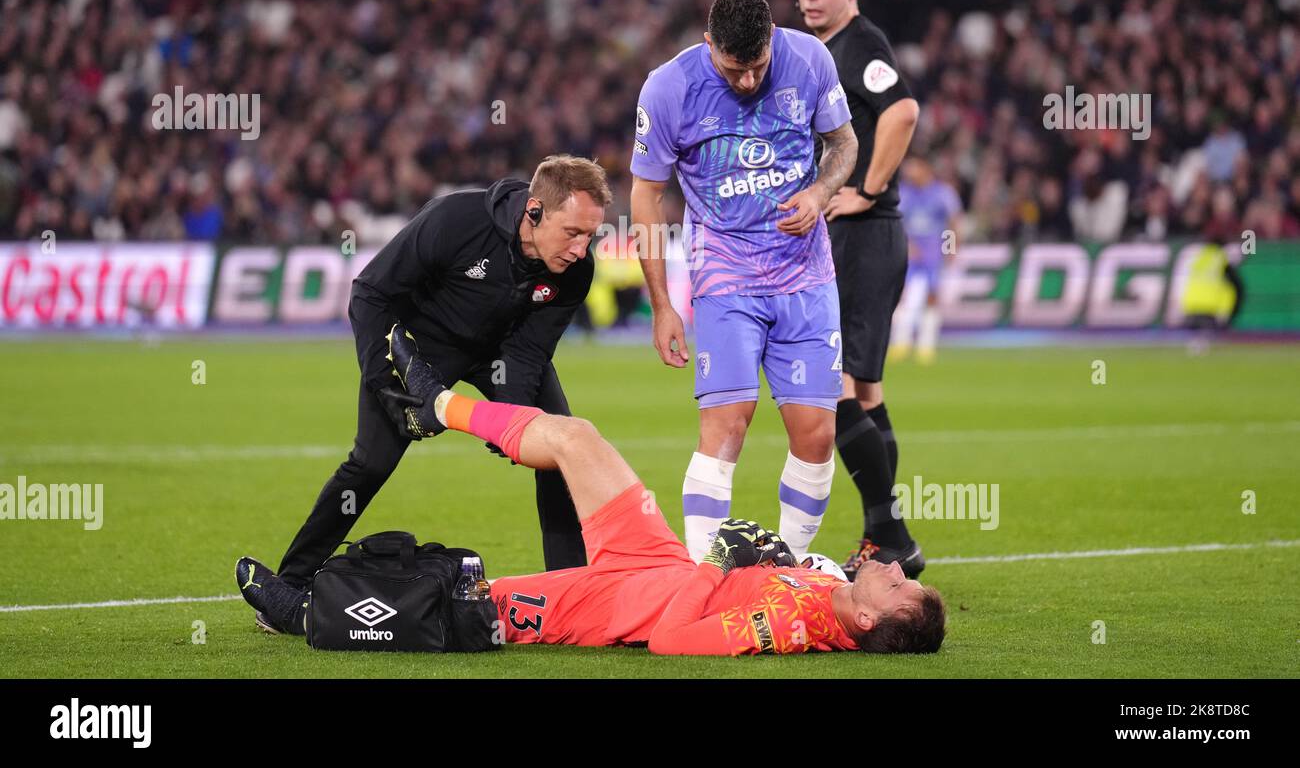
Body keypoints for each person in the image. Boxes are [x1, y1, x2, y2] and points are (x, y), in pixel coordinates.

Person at [237, 325, 946, 655]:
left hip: (629, 604)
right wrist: (767, 560)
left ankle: (308, 613)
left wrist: (720, 565)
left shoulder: (790, 631)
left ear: (866, 624)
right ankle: (438, 405)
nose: (889, 567)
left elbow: (673, 644)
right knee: (578, 438)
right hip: (657, 561)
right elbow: (767, 580)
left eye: (895, 587)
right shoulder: (831, 598)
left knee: (471, 602)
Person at [259, 156, 610, 633]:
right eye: (572, 232)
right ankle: (290, 586)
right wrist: (390, 389)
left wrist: (510, 423)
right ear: (534, 211)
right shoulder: (455, 221)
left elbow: (526, 353)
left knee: (558, 453)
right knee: (371, 463)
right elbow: (370, 295)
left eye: (591, 235)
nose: (581, 248)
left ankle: (566, 596)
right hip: (418, 346)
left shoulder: (575, 271)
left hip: (502, 352)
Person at [629, 0, 858, 562]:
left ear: (773, 39)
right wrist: (661, 304)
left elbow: (844, 143)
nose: (749, 82)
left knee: (817, 435)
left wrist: (821, 189)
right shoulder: (669, 89)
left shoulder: (809, 61)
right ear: (708, 45)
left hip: (806, 275)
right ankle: (704, 580)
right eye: (735, 70)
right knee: (728, 426)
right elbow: (646, 195)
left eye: (757, 67)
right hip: (726, 275)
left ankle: (785, 571)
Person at [795, 0, 924, 579]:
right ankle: (884, 534)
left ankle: (889, 532)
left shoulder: (861, 44)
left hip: (866, 234)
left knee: (835, 383)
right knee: (865, 389)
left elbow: (902, 110)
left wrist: (865, 191)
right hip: (867, 238)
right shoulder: (825, 50)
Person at [892, 155, 964, 363]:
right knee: (903, 296)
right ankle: (901, 342)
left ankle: (926, 344)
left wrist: (950, 249)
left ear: (925, 168)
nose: (908, 171)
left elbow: (954, 221)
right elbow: (896, 222)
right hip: (910, 253)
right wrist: (905, 245)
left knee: (932, 297)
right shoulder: (904, 192)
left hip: (934, 254)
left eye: (913, 167)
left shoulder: (943, 193)